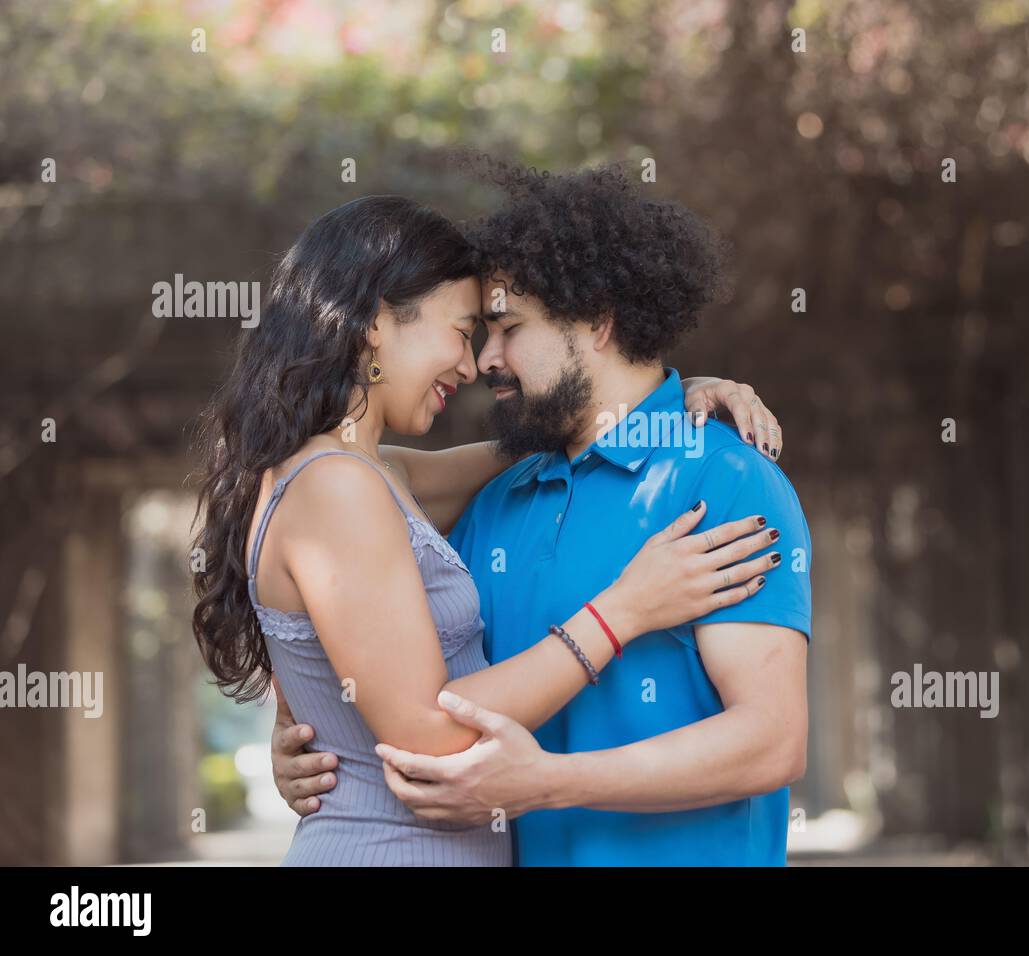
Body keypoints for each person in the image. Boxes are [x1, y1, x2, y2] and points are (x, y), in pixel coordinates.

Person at [192, 193, 786, 866]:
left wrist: (659, 394)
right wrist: (626, 609)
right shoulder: (336, 485)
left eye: (500, 331)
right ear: (378, 323)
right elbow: (427, 731)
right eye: (466, 330)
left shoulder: (384, 478)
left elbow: (559, 439)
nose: (475, 365)